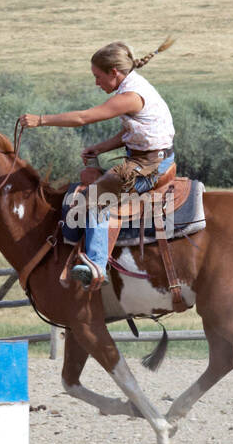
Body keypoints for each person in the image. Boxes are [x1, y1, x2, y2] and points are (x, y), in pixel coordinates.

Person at [17, 36, 177, 287]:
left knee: (97, 197)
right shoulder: (132, 87)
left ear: (114, 72)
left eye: (98, 76)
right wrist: (102, 147)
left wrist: (41, 120)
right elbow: (137, 131)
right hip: (146, 158)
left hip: (150, 166)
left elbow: (83, 117)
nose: (96, 82)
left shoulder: (130, 96)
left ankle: (96, 265)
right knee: (88, 178)